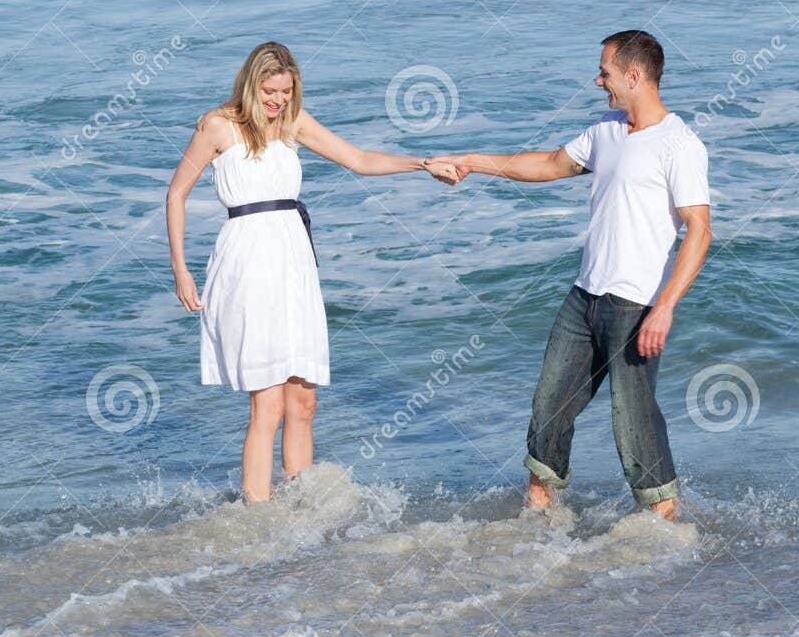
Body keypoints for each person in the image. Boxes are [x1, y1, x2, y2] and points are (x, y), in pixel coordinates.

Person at [432, 30, 712, 519]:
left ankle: (663, 526)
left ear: (634, 74)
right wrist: (473, 162)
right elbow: (547, 164)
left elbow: (700, 230)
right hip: (584, 299)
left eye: (604, 71)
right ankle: (538, 517)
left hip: (636, 304)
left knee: (634, 425)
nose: (598, 80)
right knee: (548, 409)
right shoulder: (606, 130)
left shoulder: (679, 145)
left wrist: (664, 307)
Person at [166, 41, 457, 502]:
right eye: (270, 90)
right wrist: (181, 269)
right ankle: (257, 514)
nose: (278, 100)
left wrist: (421, 164)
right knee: (268, 403)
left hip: (294, 264)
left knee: (303, 400)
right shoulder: (217, 126)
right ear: (250, 84)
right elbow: (176, 193)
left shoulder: (292, 124)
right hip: (246, 263)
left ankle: (302, 509)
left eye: (286, 90)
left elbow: (359, 160)